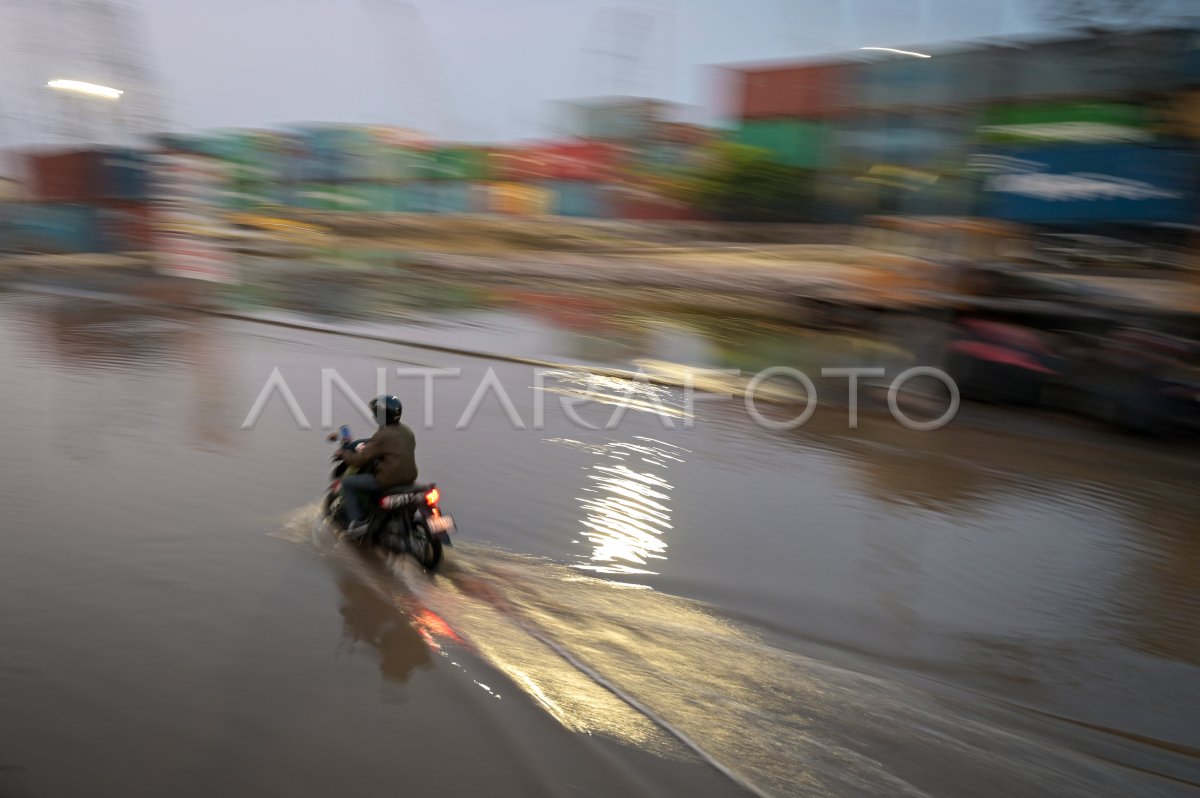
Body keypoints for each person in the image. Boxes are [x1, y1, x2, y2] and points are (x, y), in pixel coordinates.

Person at [336, 395, 418, 539]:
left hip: (386, 481)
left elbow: (359, 461)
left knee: (347, 483)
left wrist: (344, 453)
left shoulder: (382, 435)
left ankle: (358, 523)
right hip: (409, 481)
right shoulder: (407, 431)